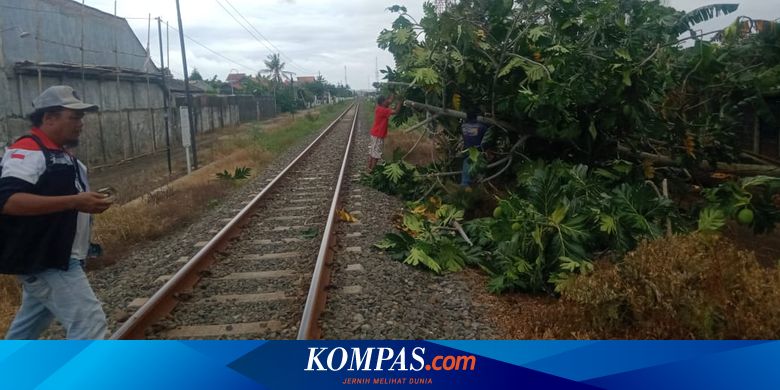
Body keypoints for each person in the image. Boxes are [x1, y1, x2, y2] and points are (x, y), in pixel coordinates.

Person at [0, 85, 113, 339]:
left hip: (54, 255)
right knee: (90, 324)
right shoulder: (28, 150)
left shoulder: (57, 152)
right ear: (49, 118)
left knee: (26, 330)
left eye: (81, 117)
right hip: (47, 259)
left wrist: (86, 202)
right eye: (74, 117)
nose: (80, 124)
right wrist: (75, 201)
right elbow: (8, 200)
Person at [367, 93, 402, 171]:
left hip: (375, 134)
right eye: (386, 100)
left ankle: (369, 168)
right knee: (376, 154)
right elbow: (396, 112)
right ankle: (372, 170)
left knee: (373, 151)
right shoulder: (383, 110)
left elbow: (389, 101)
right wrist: (400, 102)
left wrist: (393, 94)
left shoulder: (379, 108)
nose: (388, 102)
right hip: (378, 135)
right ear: (383, 102)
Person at [460, 108, 488, 188]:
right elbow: (486, 138)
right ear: (476, 117)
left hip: (467, 151)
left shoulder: (463, 126)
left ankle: (465, 186)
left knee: (466, 171)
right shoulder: (482, 127)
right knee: (479, 172)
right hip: (479, 152)